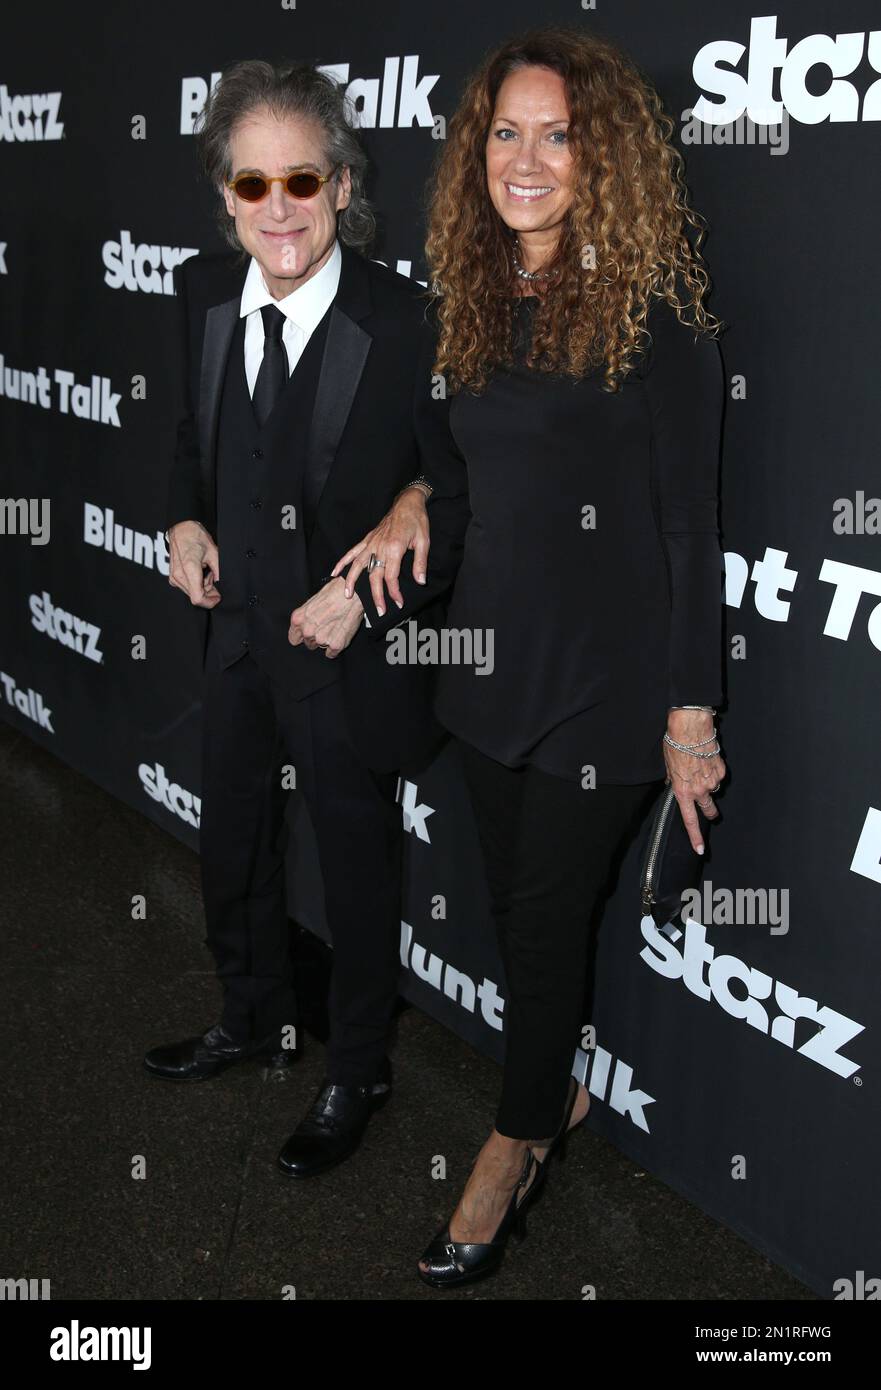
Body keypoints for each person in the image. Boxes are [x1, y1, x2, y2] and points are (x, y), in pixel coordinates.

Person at [339, 26, 728, 1287]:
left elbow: (688, 529)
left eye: (555, 133)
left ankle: (507, 1150)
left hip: (603, 700)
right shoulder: (465, 304)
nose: (524, 157)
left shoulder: (654, 325)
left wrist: (689, 717)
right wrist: (404, 506)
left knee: (549, 926)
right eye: (504, 131)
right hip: (484, 683)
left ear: (600, 153)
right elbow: (452, 487)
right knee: (518, 918)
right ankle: (551, 1087)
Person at [144, 59, 468, 1182]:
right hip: (233, 637)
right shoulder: (196, 293)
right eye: (250, 185)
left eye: (299, 180)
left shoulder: (408, 321)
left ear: (340, 184)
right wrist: (183, 520)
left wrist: (371, 579)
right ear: (224, 198)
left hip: (346, 656)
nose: (276, 208)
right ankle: (249, 1013)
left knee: (357, 863)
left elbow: (453, 490)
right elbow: (190, 441)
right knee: (230, 841)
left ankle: (358, 1068)